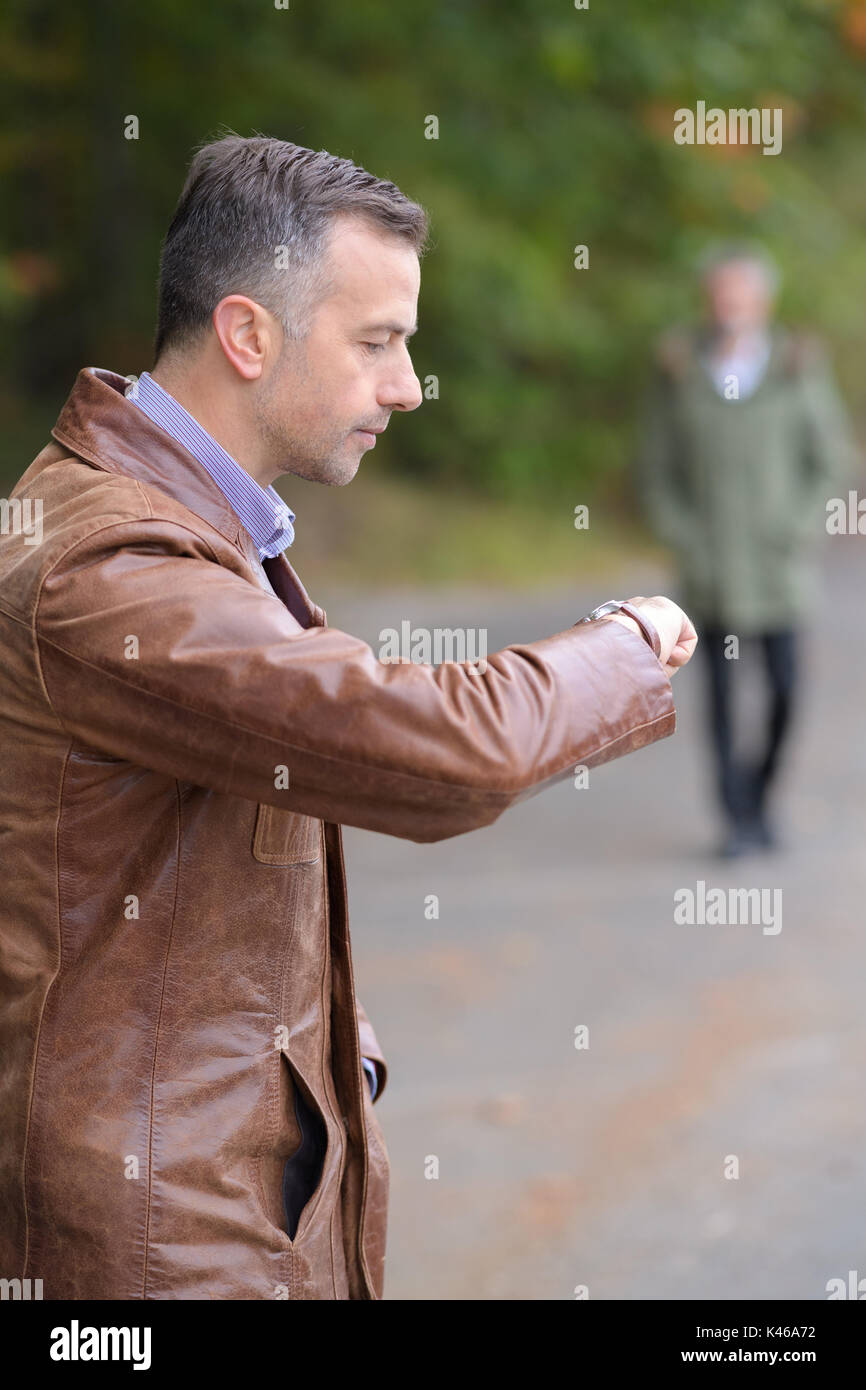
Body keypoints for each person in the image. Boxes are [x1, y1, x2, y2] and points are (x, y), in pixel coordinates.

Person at [0, 134, 696, 1302]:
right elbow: (436, 753)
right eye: (376, 342)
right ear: (247, 334)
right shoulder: (105, 561)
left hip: (220, 1201)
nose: (408, 384)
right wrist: (625, 643)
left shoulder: (200, 525)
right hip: (152, 1254)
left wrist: (327, 1067)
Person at [637, 244, 852, 857]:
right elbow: (655, 469)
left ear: (763, 301)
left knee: (785, 692)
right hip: (712, 571)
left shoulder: (794, 366)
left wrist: (799, 525)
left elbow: (828, 458)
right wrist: (684, 535)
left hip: (778, 569)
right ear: (708, 299)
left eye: (740, 293)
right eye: (719, 293)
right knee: (723, 701)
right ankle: (735, 820)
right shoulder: (678, 368)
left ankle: (762, 798)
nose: (728, 305)